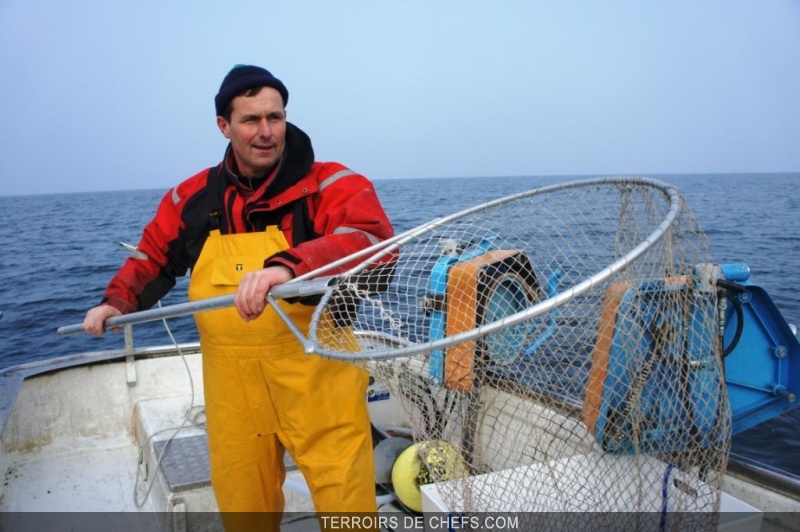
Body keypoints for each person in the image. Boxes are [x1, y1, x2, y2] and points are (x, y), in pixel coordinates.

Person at [83, 64, 394, 524]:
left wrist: (288, 266)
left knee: (346, 499)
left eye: (276, 116)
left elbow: (372, 242)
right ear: (223, 126)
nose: (266, 131)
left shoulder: (333, 183)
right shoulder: (190, 198)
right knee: (243, 503)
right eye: (251, 120)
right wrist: (117, 301)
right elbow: (152, 257)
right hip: (232, 387)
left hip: (318, 372)